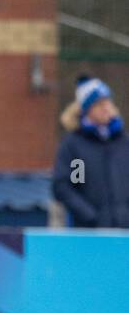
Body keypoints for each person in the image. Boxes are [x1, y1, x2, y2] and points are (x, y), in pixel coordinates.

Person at [52, 76, 129, 228]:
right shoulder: (75, 146)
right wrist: (89, 215)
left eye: (108, 102)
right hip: (89, 234)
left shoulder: (123, 143)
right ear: (86, 110)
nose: (106, 108)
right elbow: (68, 186)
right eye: (99, 104)